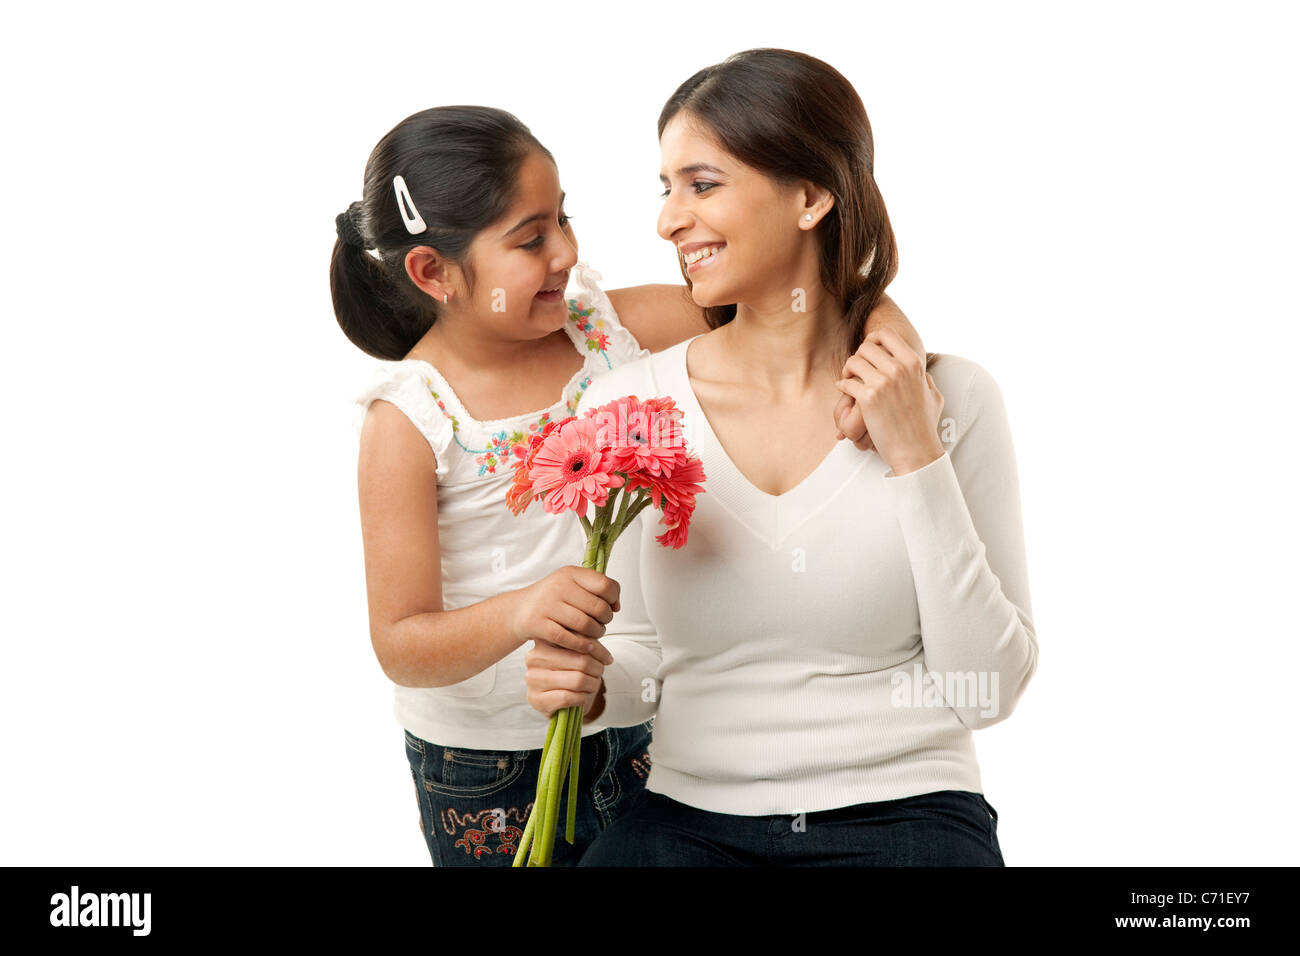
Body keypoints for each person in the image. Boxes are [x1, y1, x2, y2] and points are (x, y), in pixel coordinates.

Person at [333, 105, 926, 865]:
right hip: (489, 767)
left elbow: (791, 304)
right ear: (431, 273)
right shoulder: (412, 419)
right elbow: (401, 643)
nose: (565, 254)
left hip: (636, 720)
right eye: (530, 239)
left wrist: (888, 334)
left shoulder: (607, 328)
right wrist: (523, 611)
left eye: (562, 219)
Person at [524, 49, 1037, 866]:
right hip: (687, 817)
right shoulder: (630, 407)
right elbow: (645, 656)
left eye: (702, 185)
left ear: (809, 196)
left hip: (907, 813)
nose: (667, 221)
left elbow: (993, 686)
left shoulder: (953, 400)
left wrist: (916, 459)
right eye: (666, 190)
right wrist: (588, 691)